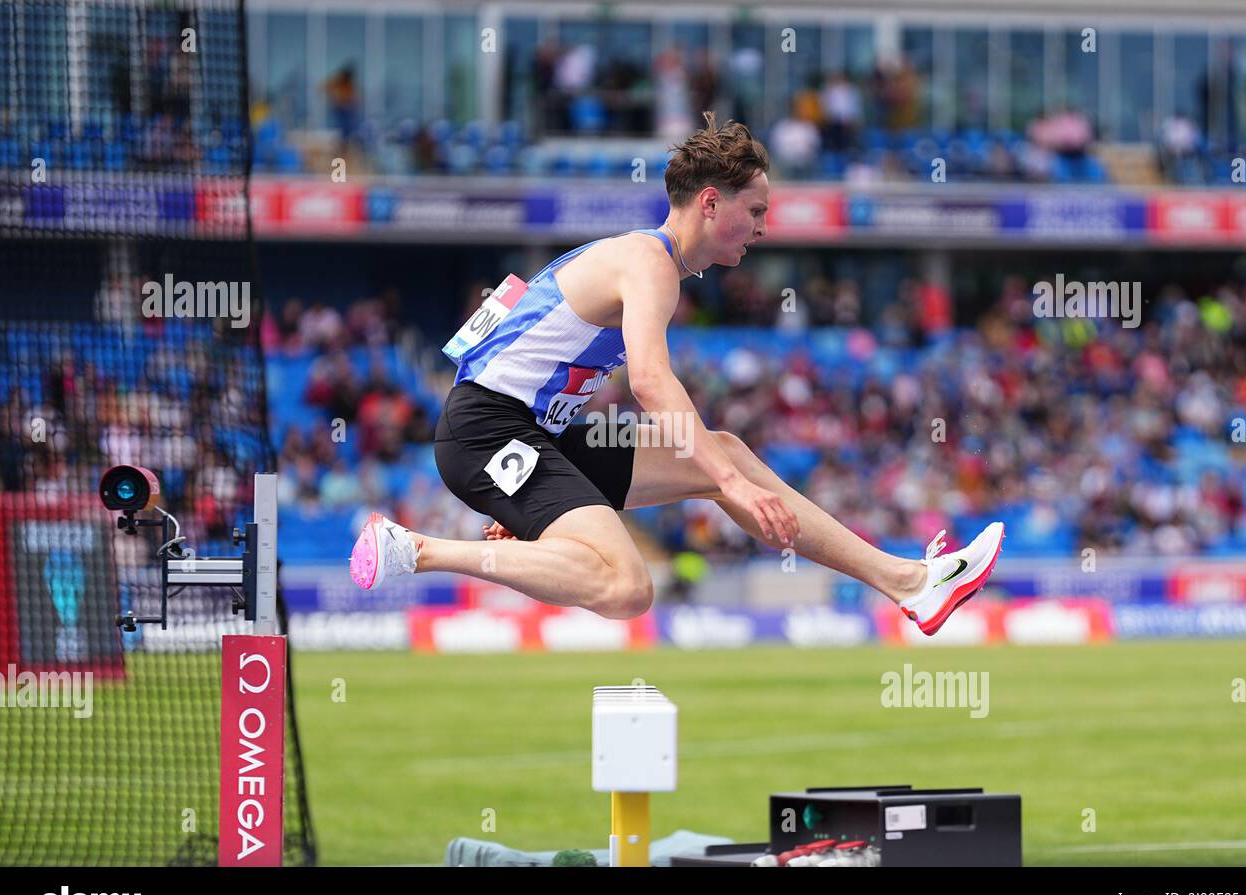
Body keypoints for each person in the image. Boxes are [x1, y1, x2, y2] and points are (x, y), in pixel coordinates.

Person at [349, 112, 1003, 636]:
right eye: (757, 212)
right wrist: (729, 490)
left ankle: (914, 585)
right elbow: (651, 383)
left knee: (730, 453)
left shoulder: (643, 264)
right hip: (486, 433)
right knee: (628, 586)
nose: (764, 230)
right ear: (711, 204)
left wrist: (529, 499)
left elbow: (510, 350)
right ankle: (416, 549)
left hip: (517, 435)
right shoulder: (648, 263)